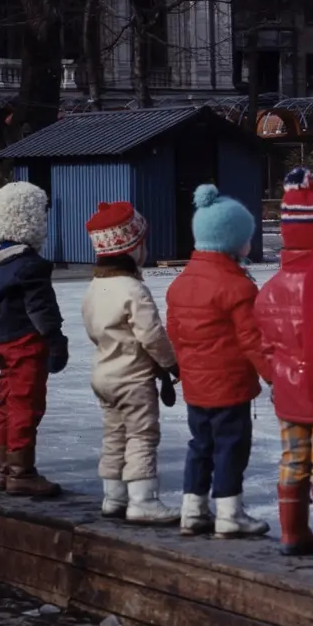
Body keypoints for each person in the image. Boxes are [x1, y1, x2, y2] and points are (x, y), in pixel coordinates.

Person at [253, 168, 313, 560]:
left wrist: (274, 374)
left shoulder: (271, 289)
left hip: (290, 396)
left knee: (293, 460)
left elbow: (263, 344)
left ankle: (292, 534)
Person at [165, 184, 270, 540]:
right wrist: (274, 375)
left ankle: (193, 510)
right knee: (231, 446)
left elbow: (174, 332)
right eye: (247, 239)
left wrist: (182, 367)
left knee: (201, 445)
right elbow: (252, 340)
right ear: (232, 242)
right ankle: (229, 513)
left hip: (196, 386)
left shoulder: (180, 284)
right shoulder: (238, 288)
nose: (250, 245)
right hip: (230, 386)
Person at [81, 201, 180, 526]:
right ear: (131, 249)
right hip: (133, 379)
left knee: (115, 434)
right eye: (143, 244)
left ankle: (114, 496)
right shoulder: (133, 289)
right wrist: (170, 363)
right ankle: (143, 500)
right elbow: (151, 333)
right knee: (141, 435)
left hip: (104, 374)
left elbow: (92, 327)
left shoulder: (95, 287)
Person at [0, 182, 69, 497]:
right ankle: (21, 472)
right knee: (26, 406)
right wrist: (55, 341)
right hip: (26, 344)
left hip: (1, 342)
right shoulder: (29, 266)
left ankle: (3, 468)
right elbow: (41, 308)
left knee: (7, 404)